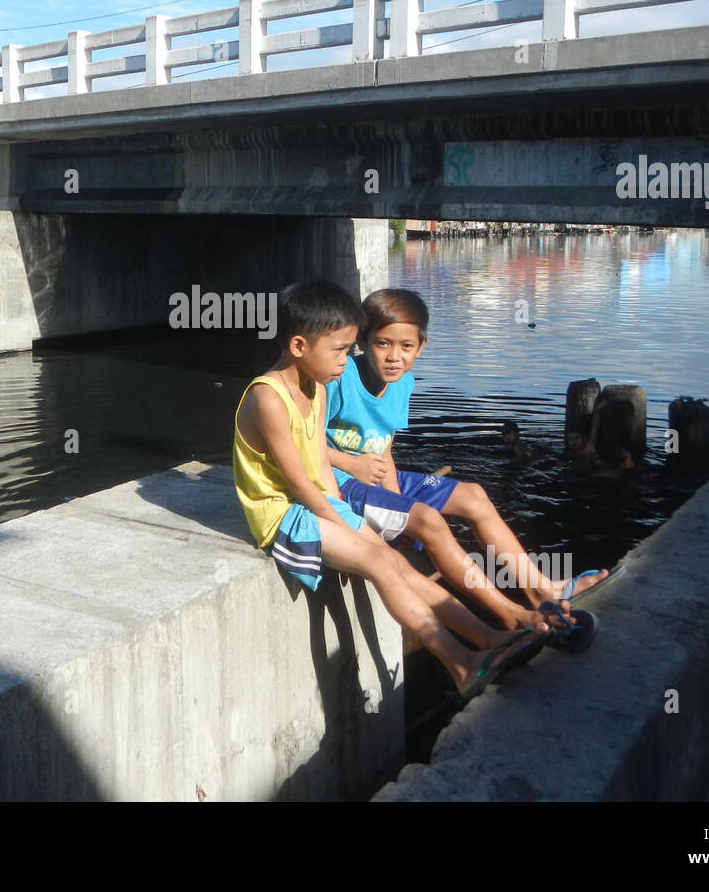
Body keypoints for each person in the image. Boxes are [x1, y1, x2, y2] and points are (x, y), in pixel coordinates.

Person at [233, 279, 546, 699]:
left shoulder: (316, 388)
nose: (348, 359)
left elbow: (321, 471)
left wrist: (343, 509)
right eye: (341, 349)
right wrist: (342, 520)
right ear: (298, 346)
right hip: (283, 517)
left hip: (318, 503)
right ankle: (461, 664)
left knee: (391, 560)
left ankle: (487, 636)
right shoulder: (268, 399)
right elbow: (298, 482)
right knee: (382, 563)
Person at [325, 288, 619, 635]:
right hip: (341, 484)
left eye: (406, 347)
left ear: (421, 346)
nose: (394, 357)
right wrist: (350, 464)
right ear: (363, 340)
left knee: (474, 496)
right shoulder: (339, 379)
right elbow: (303, 441)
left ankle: (542, 589)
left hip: (376, 474)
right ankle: (507, 614)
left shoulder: (403, 383)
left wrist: (397, 499)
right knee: (430, 522)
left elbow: (384, 446)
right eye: (382, 343)